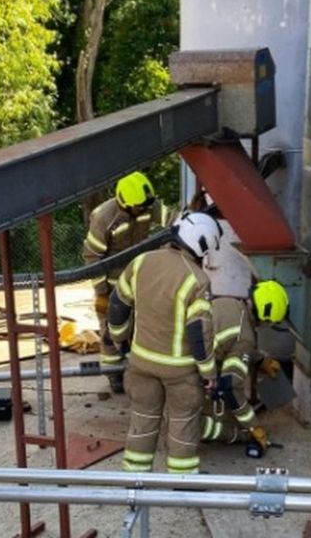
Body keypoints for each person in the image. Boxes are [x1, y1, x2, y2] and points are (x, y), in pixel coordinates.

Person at [106, 211, 223, 474]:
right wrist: (209, 373)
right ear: (201, 245)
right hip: (180, 372)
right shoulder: (197, 280)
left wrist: (119, 339)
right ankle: (182, 483)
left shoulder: (140, 262)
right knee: (182, 424)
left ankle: (136, 482)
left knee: (143, 421)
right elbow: (199, 333)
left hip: (141, 363)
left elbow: (117, 305)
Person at [82, 171, 172, 392]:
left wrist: (190, 216)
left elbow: (172, 220)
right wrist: (101, 293)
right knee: (110, 332)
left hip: (140, 281)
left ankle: (139, 369)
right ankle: (114, 376)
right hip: (113, 287)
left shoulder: (147, 205)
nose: (145, 211)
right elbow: (92, 257)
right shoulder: (104, 217)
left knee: (141, 326)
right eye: (140, 208)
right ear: (125, 203)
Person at [201, 280, 289, 458]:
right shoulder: (246, 337)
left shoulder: (229, 303)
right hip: (182, 381)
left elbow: (230, 343)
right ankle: (233, 434)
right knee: (200, 427)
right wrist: (253, 426)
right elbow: (231, 386)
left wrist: (260, 358)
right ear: (266, 318)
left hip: (176, 363)